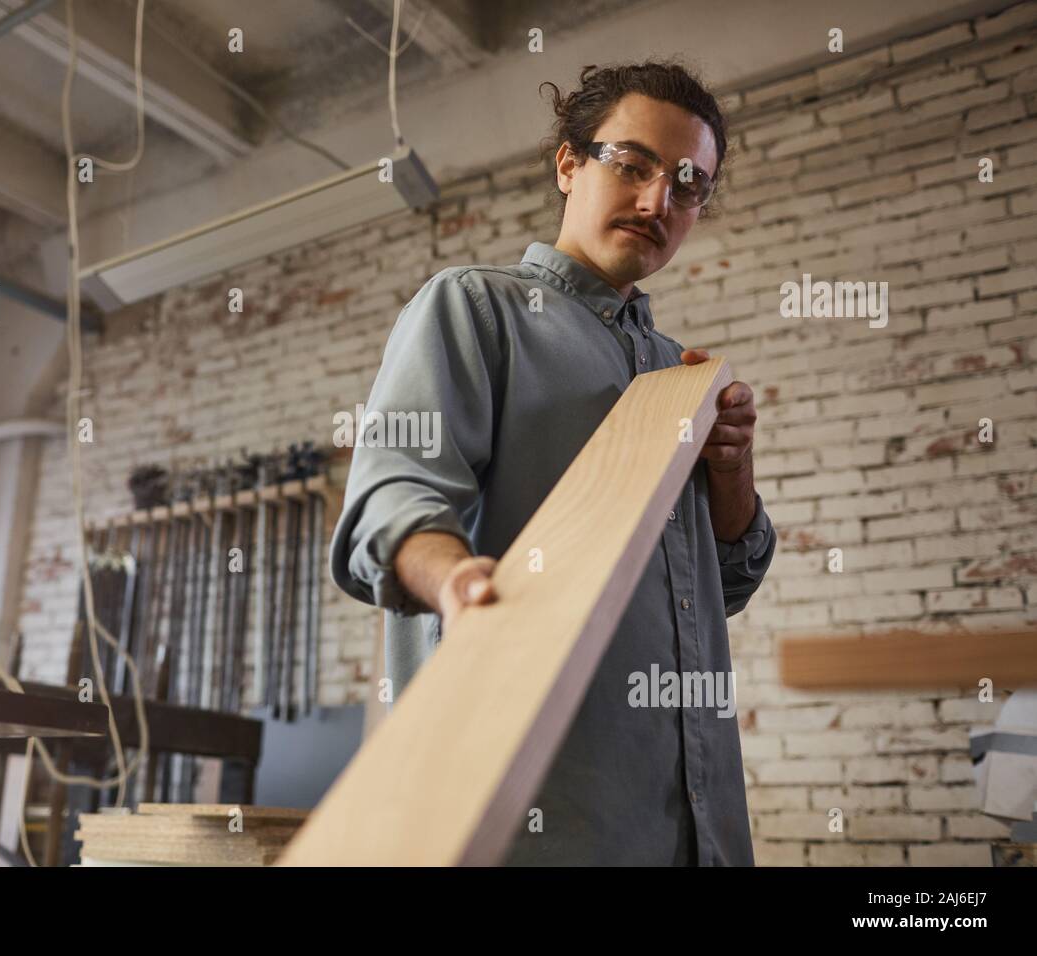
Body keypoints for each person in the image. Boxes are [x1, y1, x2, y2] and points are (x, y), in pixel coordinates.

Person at [329, 61, 776, 866]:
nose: (656, 203)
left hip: (695, 828)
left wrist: (730, 470)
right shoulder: (473, 308)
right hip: (528, 823)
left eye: (687, 184)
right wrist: (458, 584)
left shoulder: (681, 376)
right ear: (569, 164)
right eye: (630, 165)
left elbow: (725, 586)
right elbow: (394, 501)